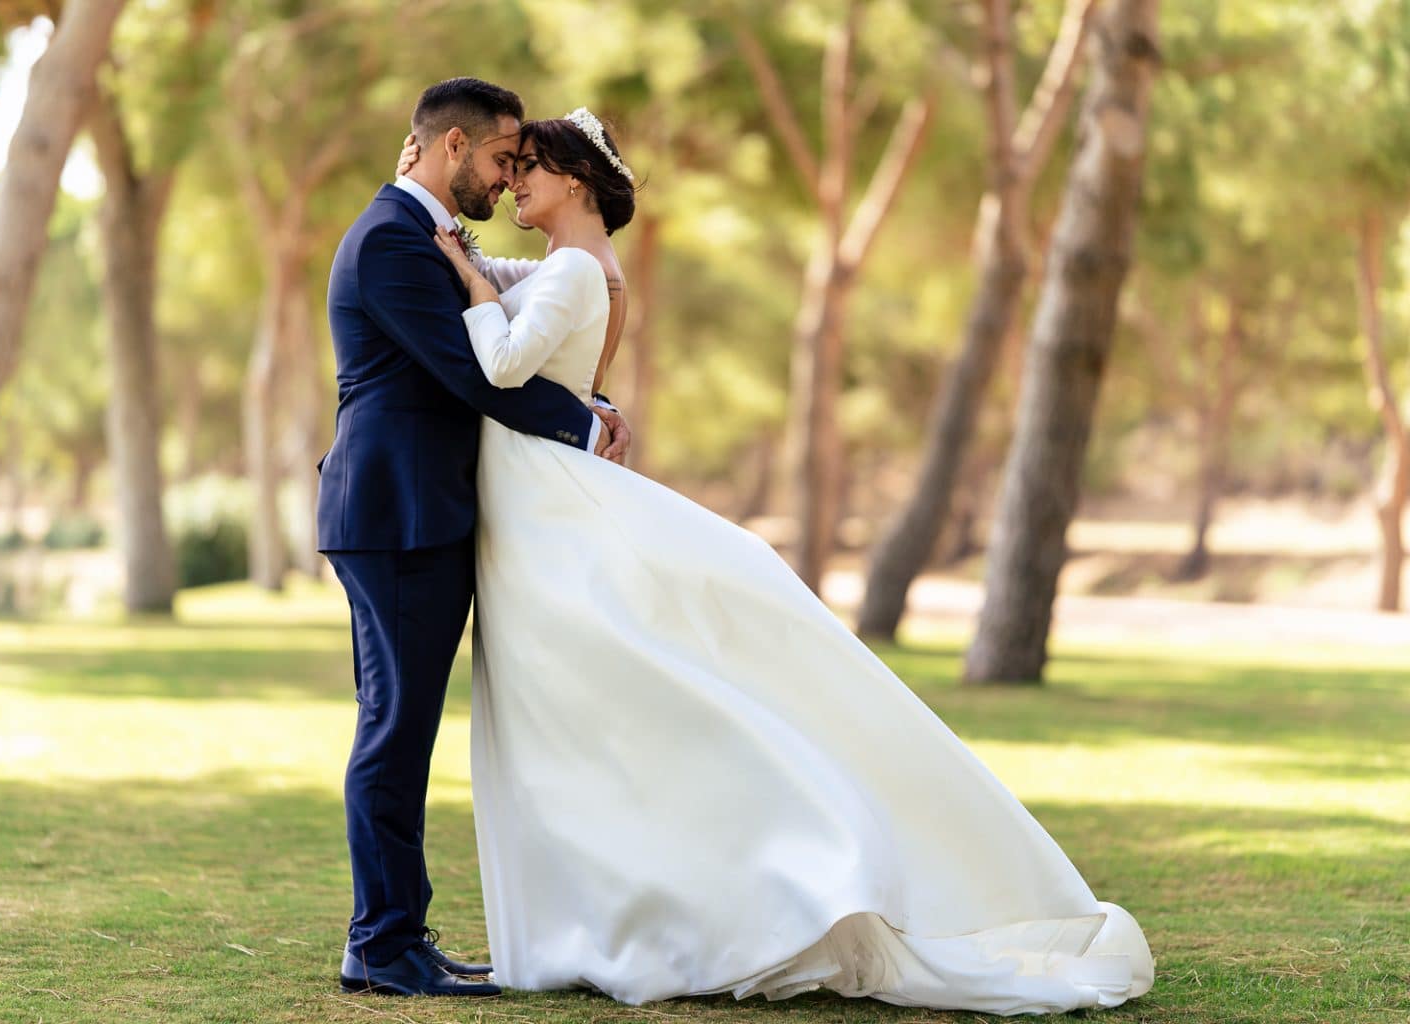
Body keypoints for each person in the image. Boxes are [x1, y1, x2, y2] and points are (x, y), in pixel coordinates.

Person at [403, 106, 1157, 1015]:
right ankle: (608, 912)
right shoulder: (580, 266)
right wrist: (448, 236)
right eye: (510, 165)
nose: (514, 181)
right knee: (572, 721)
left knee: (588, 716)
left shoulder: (571, 267)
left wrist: (475, 292)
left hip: (546, 512)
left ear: (574, 181)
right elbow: (513, 289)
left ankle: (672, 908)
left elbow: (504, 365)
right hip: (532, 507)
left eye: (529, 168)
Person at [316, 77, 630, 999]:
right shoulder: (390, 241)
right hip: (397, 514)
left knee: (404, 725)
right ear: (451, 147)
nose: (505, 180)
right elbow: (473, 375)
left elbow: (543, 309)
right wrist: (582, 424)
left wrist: (591, 389)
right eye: (500, 160)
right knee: (395, 727)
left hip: (419, 510)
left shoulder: (424, 238)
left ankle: (399, 932)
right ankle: (381, 944)